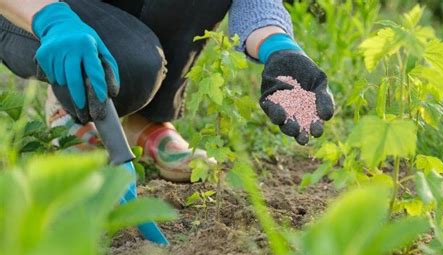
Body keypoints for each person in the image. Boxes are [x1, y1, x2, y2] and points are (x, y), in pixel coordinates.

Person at [0, 0, 335, 183]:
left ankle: (146, 120)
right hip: (28, 10)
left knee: (134, 63)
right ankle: (70, 104)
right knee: (131, 67)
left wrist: (279, 48)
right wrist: (51, 17)